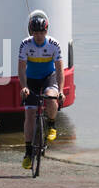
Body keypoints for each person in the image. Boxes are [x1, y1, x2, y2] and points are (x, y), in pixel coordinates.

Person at [18, 9, 65, 169]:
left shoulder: (54, 45)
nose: (39, 36)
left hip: (48, 77)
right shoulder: (25, 44)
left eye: (42, 32)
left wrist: (61, 91)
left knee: (51, 96)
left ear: (46, 31)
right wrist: (24, 87)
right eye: (36, 32)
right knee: (29, 115)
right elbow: (21, 69)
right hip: (31, 80)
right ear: (31, 31)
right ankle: (28, 151)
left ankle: (51, 124)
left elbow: (59, 70)